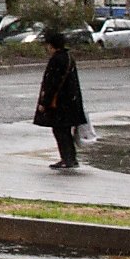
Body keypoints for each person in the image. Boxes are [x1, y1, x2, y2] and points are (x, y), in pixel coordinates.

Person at [32, 27, 89, 170]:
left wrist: (44, 103)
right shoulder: (68, 57)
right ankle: (71, 158)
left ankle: (67, 159)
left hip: (59, 103)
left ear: (51, 45)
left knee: (60, 131)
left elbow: (52, 84)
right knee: (65, 131)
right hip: (70, 102)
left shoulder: (56, 60)